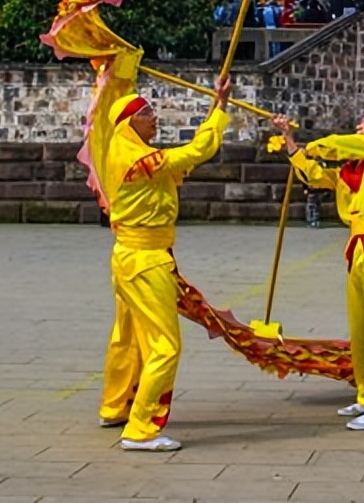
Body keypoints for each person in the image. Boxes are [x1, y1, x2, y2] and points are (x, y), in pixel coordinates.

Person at [97, 73, 232, 452]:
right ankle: (141, 428)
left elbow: (184, 159)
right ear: (128, 122)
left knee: (127, 336)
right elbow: (196, 152)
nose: (154, 117)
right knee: (165, 345)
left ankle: (115, 406)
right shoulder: (135, 157)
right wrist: (221, 108)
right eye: (146, 112)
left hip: (131, 256)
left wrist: (217, 105)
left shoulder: (133, 154)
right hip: (145, 260)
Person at [272, 105, 364, 431]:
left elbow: (342, 144)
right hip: (358, 248)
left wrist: (314, 144)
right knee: (360, 328)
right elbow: (316, 175)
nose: (359, 126)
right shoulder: (356, 168)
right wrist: (291, 141)